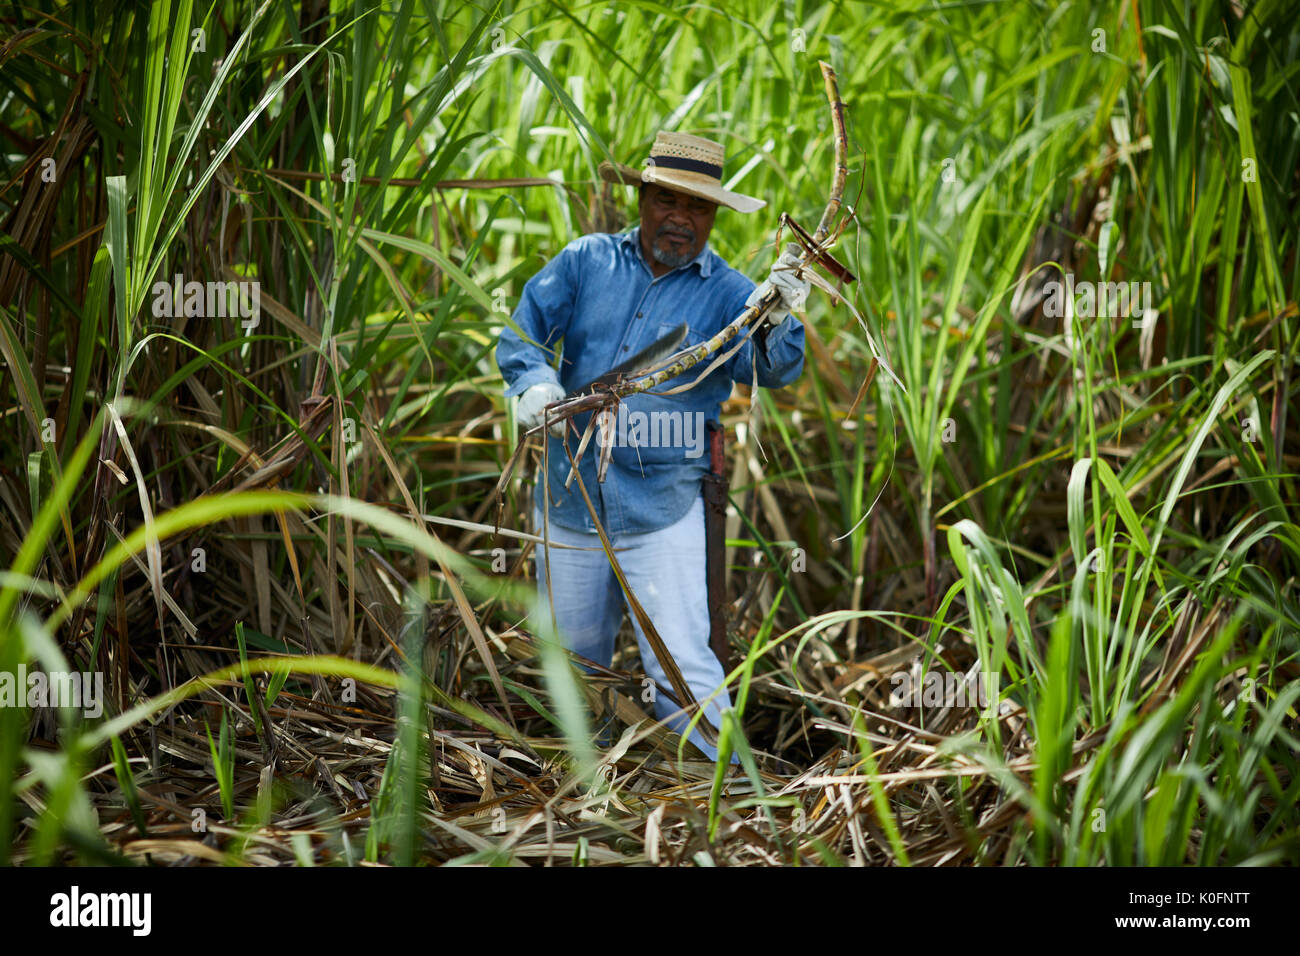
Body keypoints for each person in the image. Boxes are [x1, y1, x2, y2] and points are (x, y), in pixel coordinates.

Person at [495, 131, 809, 760]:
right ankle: (587, 798)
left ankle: (709, 801)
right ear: (642, 198)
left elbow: (775, 369)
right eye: (667, 200)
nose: (679, 219)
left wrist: (777, 315)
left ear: (714, 215)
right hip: (569, 499)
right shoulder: (587, 261)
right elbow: (520, 333)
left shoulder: (728, 295)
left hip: (660, 508)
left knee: (684, 671)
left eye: (696, 207)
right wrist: (534, 385)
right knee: (574, 668)